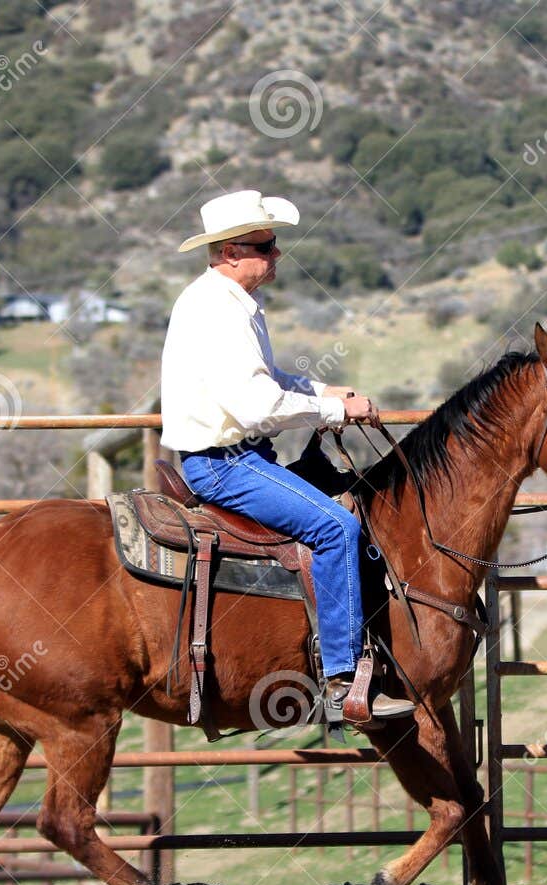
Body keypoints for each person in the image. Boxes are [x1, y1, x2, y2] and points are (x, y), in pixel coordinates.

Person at [161, 189, 414, 723]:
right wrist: (333, 412)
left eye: (274, 244)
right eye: (265, 245)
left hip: (237, 456)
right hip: (227, 465)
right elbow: (256, 406)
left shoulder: (226, 303)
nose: (277, 254)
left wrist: (327, 392)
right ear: (230, 252)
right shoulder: (220, 312)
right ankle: (342, 681)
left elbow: (269, 381)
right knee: (335, 529)